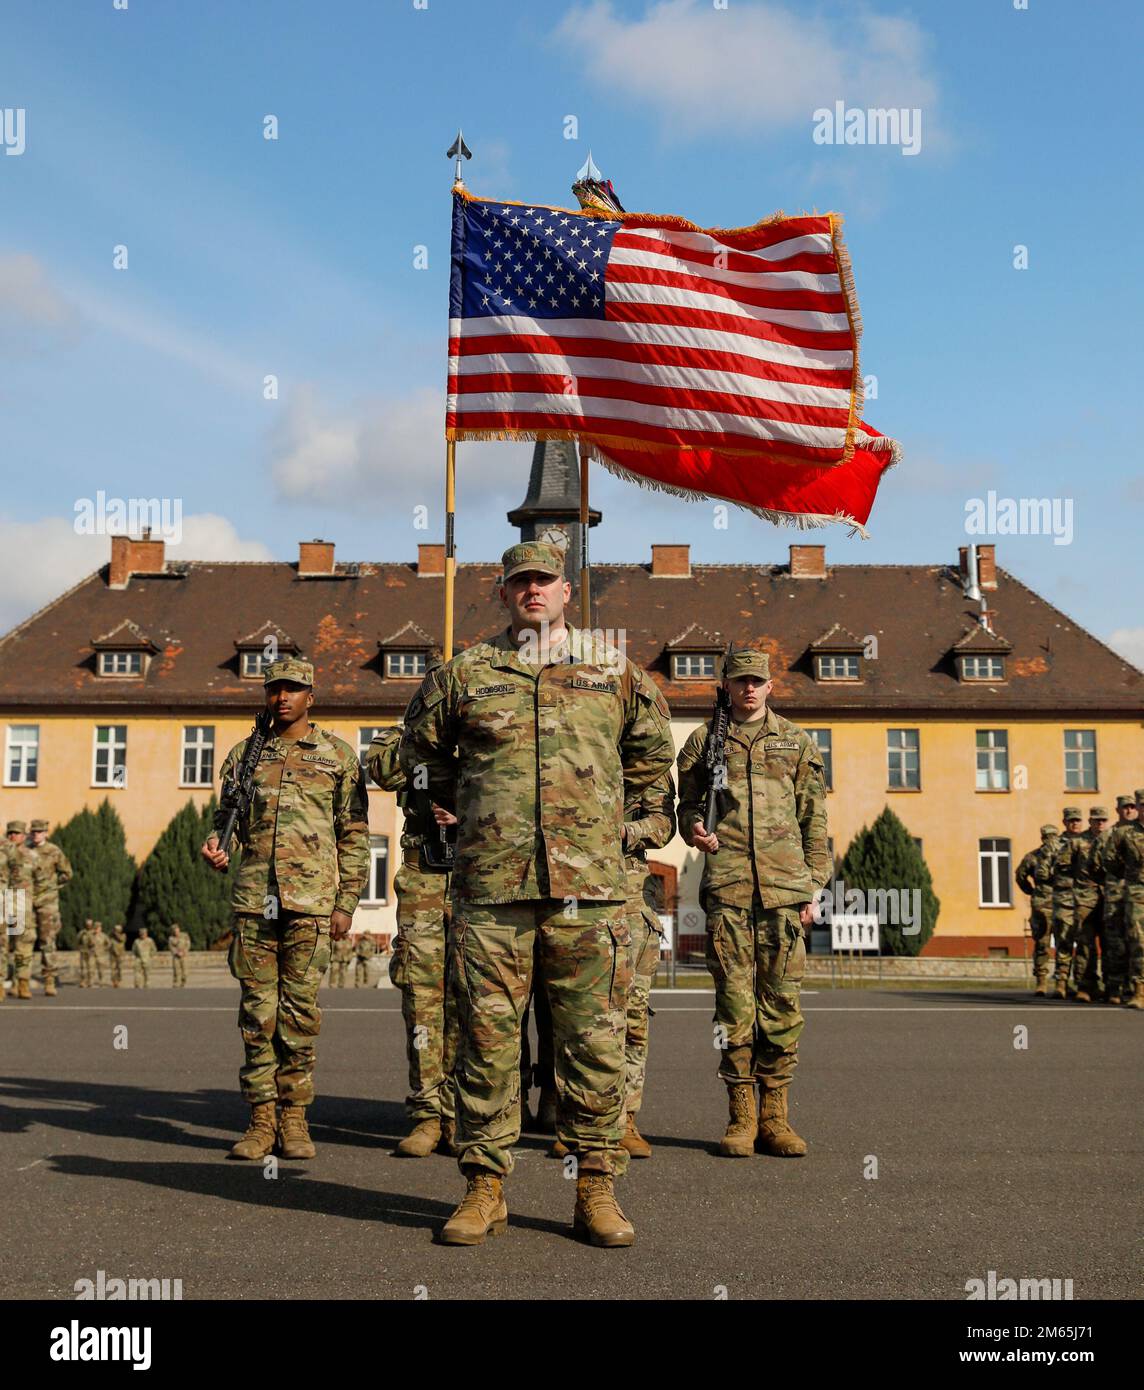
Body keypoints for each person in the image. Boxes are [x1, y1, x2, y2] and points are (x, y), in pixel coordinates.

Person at [401, 540, 675, 1247]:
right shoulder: (463, 675)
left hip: (593, 890)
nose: (532, 591)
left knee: (593, 1042)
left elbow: (652, 759)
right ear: (502, 592)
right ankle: (483, 1188)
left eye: (544, 581)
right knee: (486, 1043)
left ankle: (595, 1190)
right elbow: (419, 757)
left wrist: (635, 830)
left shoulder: (614, 670)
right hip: (493, 887)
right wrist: (437, 818)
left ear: (565, 591)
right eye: (519, 581)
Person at [202, 657, 369, 1162]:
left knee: (299, 1015)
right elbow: (224, 818)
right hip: (256, 900)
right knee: (258, 1015)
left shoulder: (338, 755)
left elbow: (355, 834)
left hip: (312, 904)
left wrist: (347, 902)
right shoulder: (244, 755)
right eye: (275, 688)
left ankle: (294, 1120)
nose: (282, 697)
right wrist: (215, 844)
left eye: (293, 689)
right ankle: (260, 1119)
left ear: (310, 696)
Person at [677, 647, 829, 1159]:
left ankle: (776, 1117)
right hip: (729, 888)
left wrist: (815, 886)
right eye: (739, 680)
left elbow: (815, 820)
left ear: (770, 686)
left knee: (782, 1004)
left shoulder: (796, 742)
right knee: (732, 1007)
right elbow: (688, 806)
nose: (748, 689)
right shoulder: (703, 742)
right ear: (725, 683)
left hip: (786, 892)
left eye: (757, 681)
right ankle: (741, 1115)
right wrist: (693, 828)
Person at [367, 719, 459, 1158]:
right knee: (423, 999)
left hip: (479, 873)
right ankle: (427, 1113)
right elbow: (382, 769)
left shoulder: (488, 726)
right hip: (424, 873)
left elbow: (515, 786)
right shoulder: (406, 734)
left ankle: (462, 1112)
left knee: (475, 999)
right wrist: (421, 735)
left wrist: (470, 808)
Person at [1091, 796, 1139, 1005]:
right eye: (1125, 807)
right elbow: (1096, 864)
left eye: (1131, 807)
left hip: (1137, 896)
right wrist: (1114, 881)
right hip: (1115, 896)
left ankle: (1134, 986)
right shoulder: (1110, 834)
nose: (1128, 811)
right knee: (1115, 943)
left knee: (1137, 942)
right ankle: (1114, 987)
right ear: (1118, 809)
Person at [1100, 788, 1144, 1010]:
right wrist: (1128, 875)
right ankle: (1139, 990)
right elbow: (1108, 860)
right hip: (1137, 893)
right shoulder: (1124, 833)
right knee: (1138, 942)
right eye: (1142, 806)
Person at [27, 819, 72, 998]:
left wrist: (53, 886)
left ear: (46, 833)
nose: (36, 834)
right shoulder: (25, 850)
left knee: (47, 941)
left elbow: (67, 873)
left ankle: (50, 980)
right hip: (27, 901)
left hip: (47, 903)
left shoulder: (54, 851)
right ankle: (21, 980)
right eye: (34, 831)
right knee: (24, 940)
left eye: (40, 831)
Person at [1016, 824, 1061, 996]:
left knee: (1063, 944)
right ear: (1042, 838)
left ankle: (1061, 983)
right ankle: (1041, 982)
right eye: (1048, 837)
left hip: (1062, 904)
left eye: (1053, 836)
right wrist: (1032, 891)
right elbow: (1020, 875)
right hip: (1041, 906)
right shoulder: (1032, 857)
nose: (1050, 840)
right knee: (1042, 944)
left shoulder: (1064, 855)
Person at [1049, 808, 1086, 998]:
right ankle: (1061, 983)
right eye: (1071, 821)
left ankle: (1083, 984)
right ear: (1064, 822)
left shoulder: (1090, 842)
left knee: (1084, 943)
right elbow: (1045, 872)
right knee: (1064, 940)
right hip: (1064, 899)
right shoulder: (1055, 844)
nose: (1075, 824)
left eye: (1078, 820)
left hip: (1086, 899)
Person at [2, 820, 38, 1000]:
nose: (12, 836)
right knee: (2, 945)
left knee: (22, 944)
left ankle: (22, 983)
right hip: (2, 902)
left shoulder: (31, 856)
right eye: (10, 833)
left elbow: (41, 882)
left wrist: (38, 903)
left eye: (16, 833)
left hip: (21, 903)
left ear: (24, 836)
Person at [168, 923, 189, 987]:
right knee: (176, 971)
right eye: (174, 931)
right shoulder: (171, 938)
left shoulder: (185, 935)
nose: (176, 932)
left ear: (179, 929)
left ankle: (183, 982)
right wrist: (176, 952)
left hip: (184, 955)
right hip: (176, 956)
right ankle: (176, 983)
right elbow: (170, 947)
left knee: (185, 971)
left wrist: (184, 952)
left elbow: (188, 944)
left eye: (177, 930)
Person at [90, 921, 109, 986]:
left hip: (101, 955)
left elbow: (109, 944)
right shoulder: (91, 935)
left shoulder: (103, 936)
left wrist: (105, 949)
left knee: (101, 970)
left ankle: (101, 981)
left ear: (100, 928)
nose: (97, 929)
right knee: (91, 969)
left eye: (98, 928)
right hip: (92, 955)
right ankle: (91, 981)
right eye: (96, 928)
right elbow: (86, 943)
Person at [77, 918, 95, 988]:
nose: (89, 925)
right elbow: (78, 941)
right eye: (87, 924)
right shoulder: (82, 933)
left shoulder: (94, 932)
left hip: (91, 952)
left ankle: (90, 982)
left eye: (90, 924)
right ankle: (83, 982)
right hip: (83, 951)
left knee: (91, 967)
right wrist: (80, 948)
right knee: (83, 968)